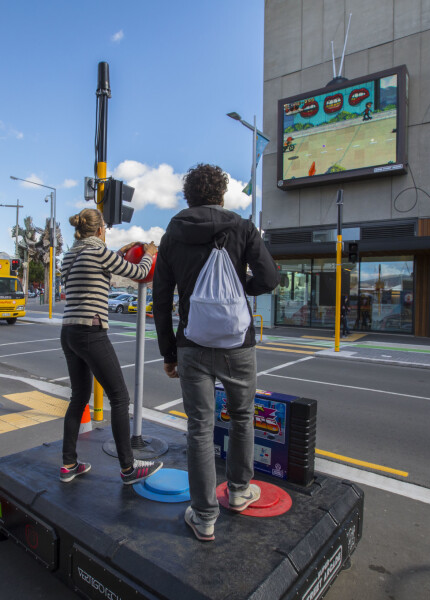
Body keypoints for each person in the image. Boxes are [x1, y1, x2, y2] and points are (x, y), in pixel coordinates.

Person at [152, 163, 279, 542]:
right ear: (221, 195)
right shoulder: (241, 227)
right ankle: (239, 492)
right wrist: (241, 289)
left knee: (199, 429)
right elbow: (270, 279)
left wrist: (168, 352)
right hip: (237, 343)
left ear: (188, 196)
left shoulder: (173, 232)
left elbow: (161, 298)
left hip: (191, 343)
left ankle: (205, 515)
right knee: (242, 418)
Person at [57, 208, 163, 485]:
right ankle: (129, 469)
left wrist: (119, 250)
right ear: (101, 229)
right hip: (91, 330)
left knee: (78, 398)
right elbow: (139, 271)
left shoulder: (71, 255)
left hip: (68, 331)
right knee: (119, 397)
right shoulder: (99, 253)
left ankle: (68, 464)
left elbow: (96, 265)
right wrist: (149, 251)